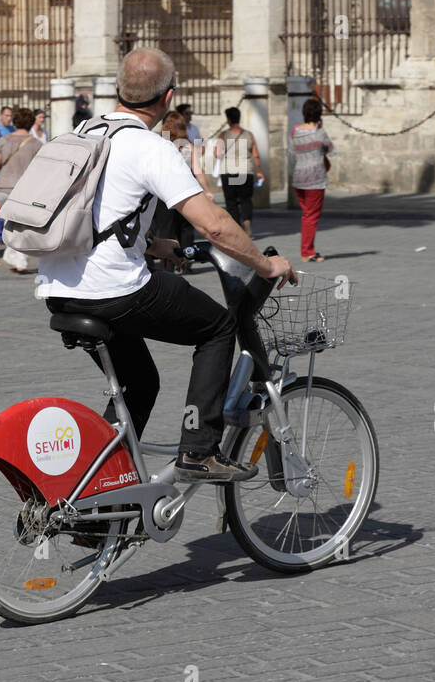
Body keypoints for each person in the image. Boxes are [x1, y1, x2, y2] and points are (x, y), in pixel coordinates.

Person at [38, 48, 296, 484]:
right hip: (113, 290)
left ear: (119, 90)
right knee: (218, 327)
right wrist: (265, 265)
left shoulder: (84, 130)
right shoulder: (149, 146)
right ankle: (198, 450)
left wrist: (154, 245)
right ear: (168, 96)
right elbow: (214, 225)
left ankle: (93, 495)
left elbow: (94, 210)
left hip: (58, 288)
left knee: (140, 384)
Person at [0, 108, 42, 272]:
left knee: (10, 223)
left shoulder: (2, 141)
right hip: (24, 190)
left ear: (14, 122)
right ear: (32, 122)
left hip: (2, 189)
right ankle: (19, 261)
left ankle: (10, 255)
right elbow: (41, 170)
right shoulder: (36, 144)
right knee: (22, 226)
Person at [159, 109, 214, 270]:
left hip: (163, 192)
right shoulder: (189, 146)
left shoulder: (161, 145)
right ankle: (186, 262)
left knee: (165, 228)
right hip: (185, 191)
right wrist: (207, 190)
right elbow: (198, 171)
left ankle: (166, 265)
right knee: (186, 228)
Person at [290, 96, 333, 262]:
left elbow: (293, 150)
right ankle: (308, 252)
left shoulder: (295, 131)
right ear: (319, 115)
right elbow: (330, 149)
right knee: (311, 215)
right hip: (315, 179)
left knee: (306, 215)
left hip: (299, 177)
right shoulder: (320, 133)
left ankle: (307, 249)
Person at [214, 106, 263, 236]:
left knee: (231, 201)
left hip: (228, 171)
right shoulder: (248, 135)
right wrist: (259, 171)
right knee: (246, 199)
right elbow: (256, 154)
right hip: (245, 170)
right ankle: (246, 221)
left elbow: (217, 154)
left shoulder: (223, 135)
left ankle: (236, 227)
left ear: (228, 119)